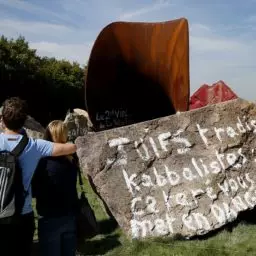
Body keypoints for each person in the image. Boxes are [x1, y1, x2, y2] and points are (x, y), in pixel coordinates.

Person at [0, 97, 77, 256]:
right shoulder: (35, 145)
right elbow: (71, 147)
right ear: (24, 121)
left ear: (2, 119)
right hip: (23, 215)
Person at [33, 120, 79, 256]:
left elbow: (35, 191)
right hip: (69, 215)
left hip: (49, 217)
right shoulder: (71, 160)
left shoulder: (42, 162)